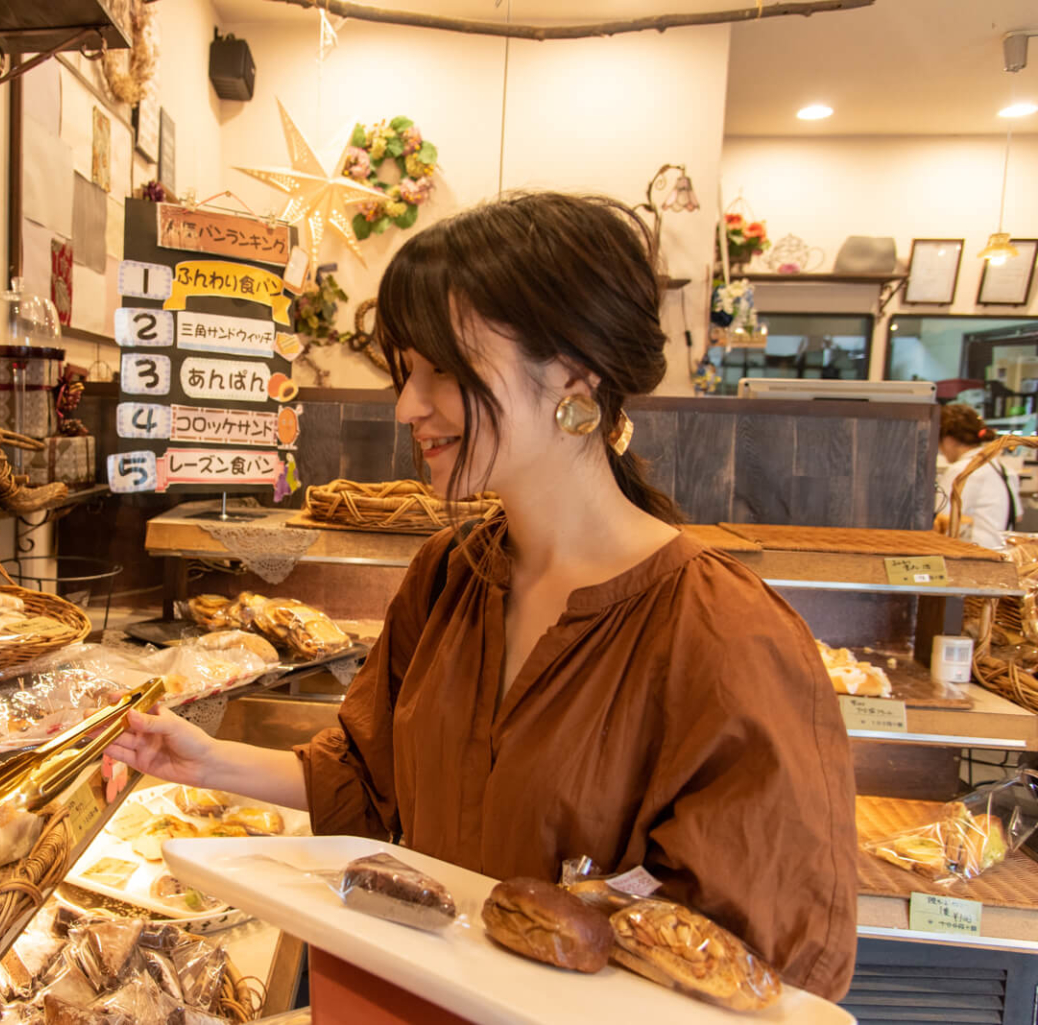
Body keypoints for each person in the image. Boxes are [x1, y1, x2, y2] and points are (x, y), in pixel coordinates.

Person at [106, 192, 858, 1000]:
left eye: (442, 370)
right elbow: (364, 778)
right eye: (405, 371)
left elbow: (747, 970)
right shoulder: (448, 575)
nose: (407, 406)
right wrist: (203, 759)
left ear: (574, 377)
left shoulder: (722, 637)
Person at [937, 403, 1020, 549]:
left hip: (973, 557)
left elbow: (941, 522)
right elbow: (1018, 515)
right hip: (1002, 554)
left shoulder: (961, 471)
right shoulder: (1004, 468)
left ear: (948, 439)